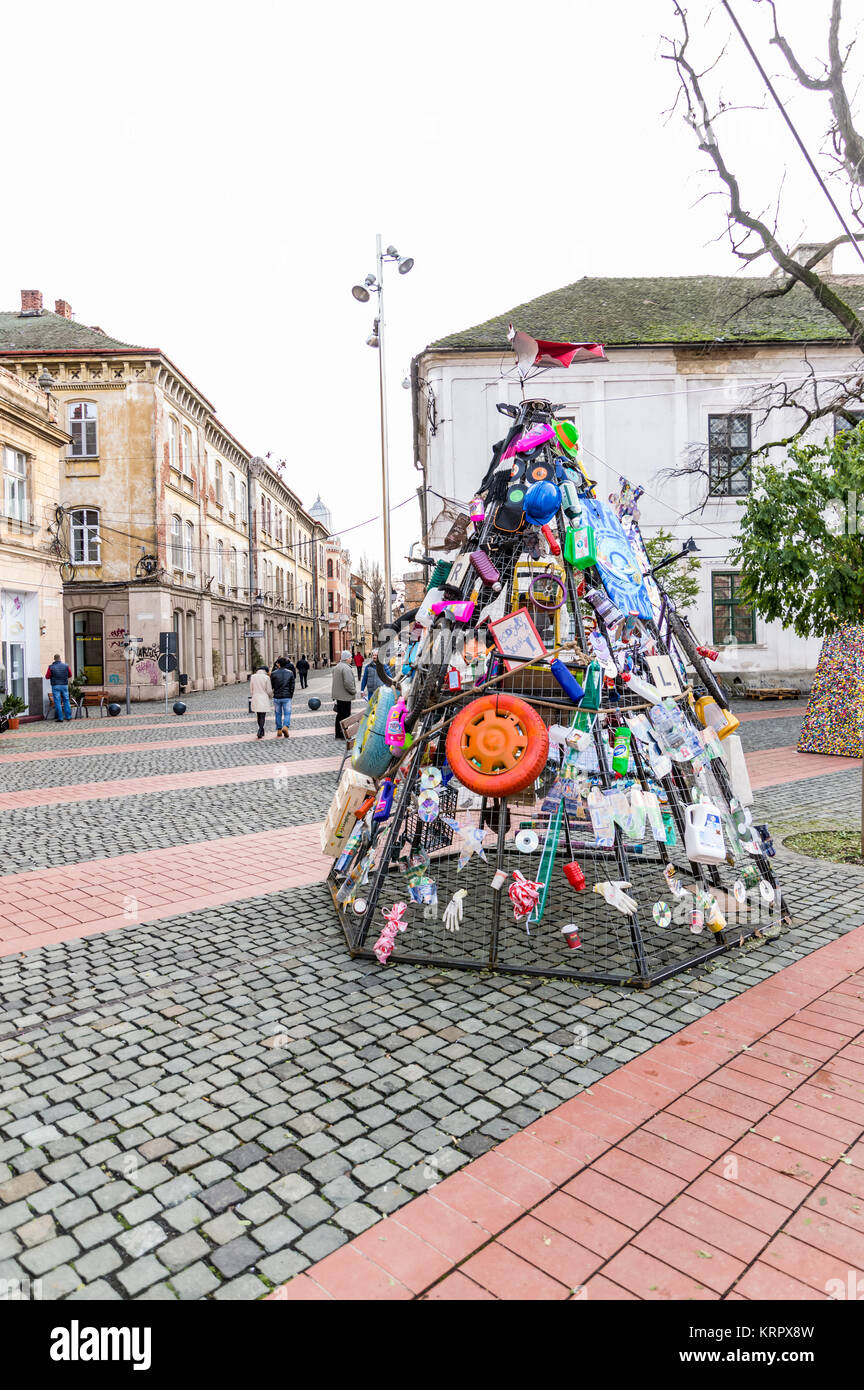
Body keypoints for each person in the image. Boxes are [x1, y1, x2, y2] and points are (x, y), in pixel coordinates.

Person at [331, 650, 357, 740]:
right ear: (346, 658)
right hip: (345, 696)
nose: (351, 659)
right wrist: (353, 691)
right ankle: (343, 734)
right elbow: (348, 683)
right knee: (345, 716)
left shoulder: (337, 667)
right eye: (350, 657)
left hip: (338, 696)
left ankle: (338, 734)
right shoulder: (346, 668)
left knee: (339, 715)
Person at [271, 657, 295, 738]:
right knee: (287, 713)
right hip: (286, 696)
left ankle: (279, 730)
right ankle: (286, 726)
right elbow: (292, 686)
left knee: (278, 713)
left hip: (277, 696)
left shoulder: (274, 673)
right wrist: (290, 695)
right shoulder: (290, 673)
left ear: (278, 664)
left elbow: (272, 685)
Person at [45, 653, 73, 722]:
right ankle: (68, 716)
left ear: (54, 659)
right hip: (64, 685)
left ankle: (60, 718)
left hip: (55, 685)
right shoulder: (66, 666)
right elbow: (70, 675)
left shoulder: (51, 667)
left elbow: (47, 677)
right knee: (66, 700)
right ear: (60, 659)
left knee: (57, 702)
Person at [249, 665, 273, 739]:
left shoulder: (253, 677)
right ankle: (260, 729)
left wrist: (253, 695)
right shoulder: (266, 677)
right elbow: (269, 690)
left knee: (258, 714)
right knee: (263, 715)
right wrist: (271, 696)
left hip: (256, 697)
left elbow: (251, 689)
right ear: (265, 671)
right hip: (264, 697)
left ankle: (261, 729)